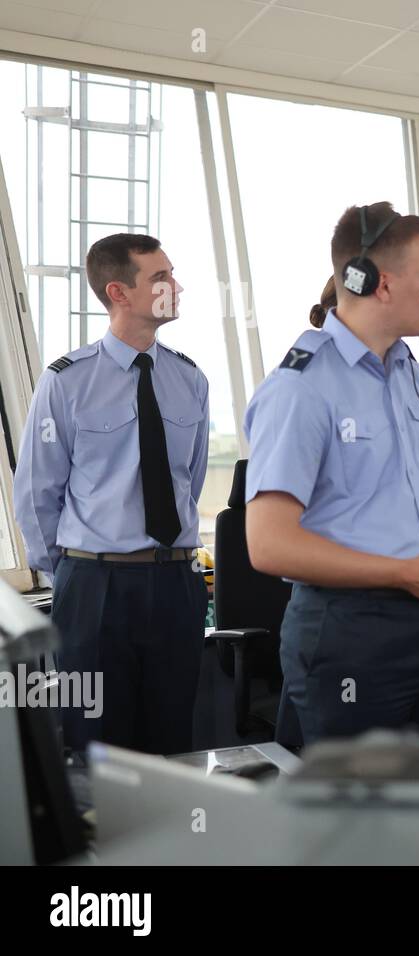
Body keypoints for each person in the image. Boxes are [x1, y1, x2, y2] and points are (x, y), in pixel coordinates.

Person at [243, 202, 419, 744]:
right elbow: (268, 545)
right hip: (349, 636)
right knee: (363, 820)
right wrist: (402, 573)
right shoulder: (300, 388)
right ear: (379, 283)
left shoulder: (414, 376)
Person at [14, 232, 210, 754]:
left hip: (176, 583)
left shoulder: (190, 379)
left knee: (172, 745)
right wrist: (76, 573)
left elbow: (188, 477)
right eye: (162, 277)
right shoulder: (66, 381)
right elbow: (38, 492)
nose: (177, 286)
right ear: (120, 292)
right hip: (94, 586)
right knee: (94, 746)